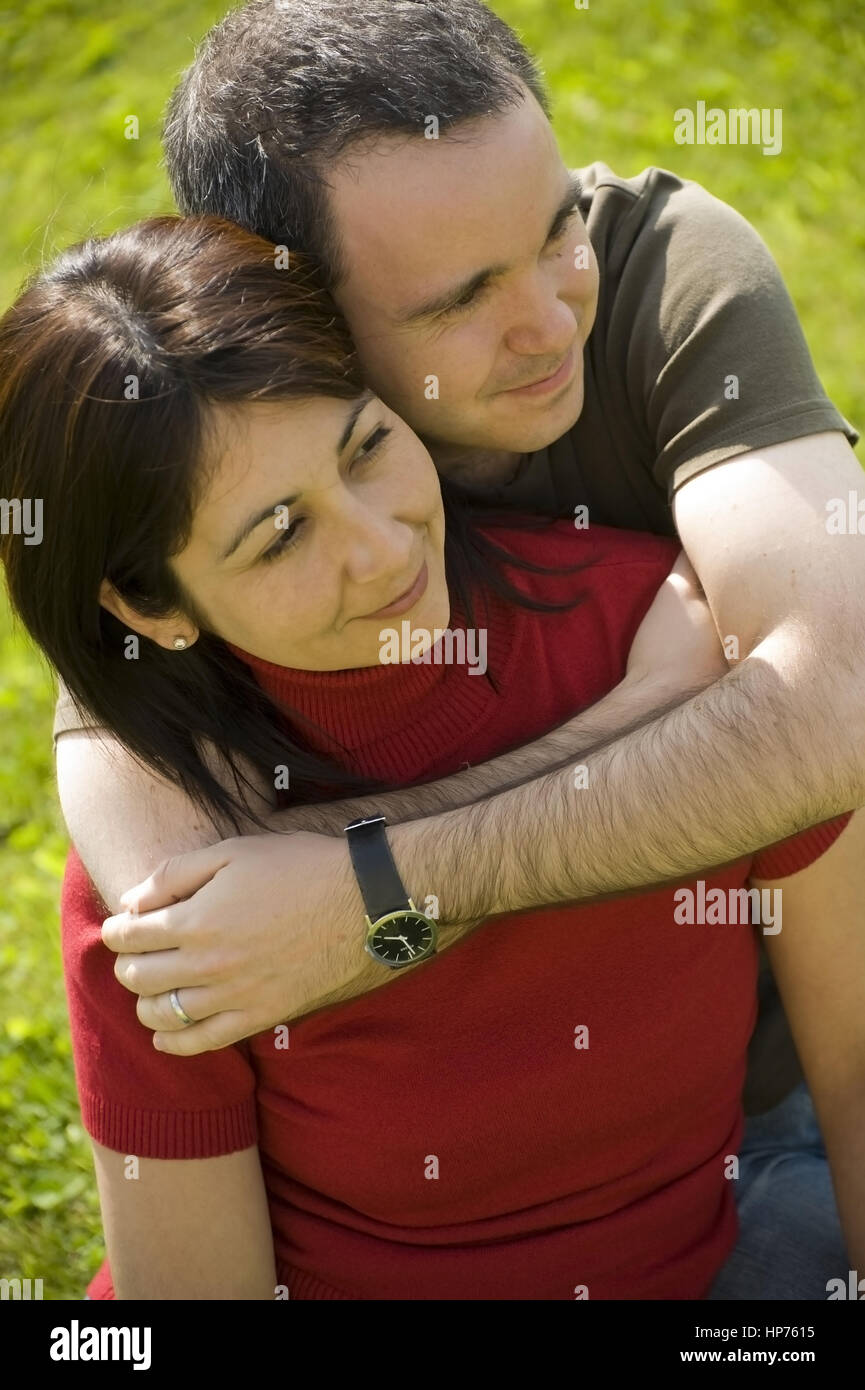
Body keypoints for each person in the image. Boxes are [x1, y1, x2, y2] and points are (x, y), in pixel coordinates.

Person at [48, 1, 864, 1295]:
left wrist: (369, 895)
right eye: (461, 297)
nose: (551, 324)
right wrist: (642, 710)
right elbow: (149, 848)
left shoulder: (665, 274)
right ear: (284, 314)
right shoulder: (195, 478)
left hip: (743, 1114)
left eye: (554, 232)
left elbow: (835, 713)